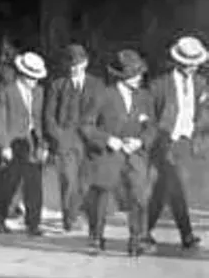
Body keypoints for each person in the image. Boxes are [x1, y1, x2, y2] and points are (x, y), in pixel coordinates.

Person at [80, 49, 158, 257]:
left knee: (139, 196)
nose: (141, 77)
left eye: (141, 72)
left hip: (134, 155)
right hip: (109, 154)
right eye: (136, 73)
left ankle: (137, 239)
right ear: (123, 77)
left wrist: (140, 141)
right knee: (101, 195)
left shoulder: (145, 97)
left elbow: (152, 127)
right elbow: (86, 126)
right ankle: (96, 237)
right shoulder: (103, 95)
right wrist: (108, 140)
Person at [146, 35, 207, 250]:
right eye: (187, 64)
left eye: (195, 64)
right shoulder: (159, 84)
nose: (192, 68)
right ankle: (187, 234)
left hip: (183, 141)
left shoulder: (200, 84)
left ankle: (144, 230)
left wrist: (196, 131)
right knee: (176, 184)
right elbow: (149, 114)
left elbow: (202, 111)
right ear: (178, 62)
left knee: (163, 189)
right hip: (163, 141)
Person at [44, 44, 104, 233]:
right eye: (70, 65)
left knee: (85, 182)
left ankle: (77, 212)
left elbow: (103, 113)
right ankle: (69, 220)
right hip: (66, 141)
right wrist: (58, 137)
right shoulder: (57, 85)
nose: (73, 69)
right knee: (68, 180)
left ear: (85, 63)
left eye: (77, 65)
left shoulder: (97, 85)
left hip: (89, 141)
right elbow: (48, 116)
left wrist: (102, 138)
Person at [0, 51, 48, 236]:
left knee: (34, 185)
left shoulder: (39, 92)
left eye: (37, 77)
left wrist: (43, 145)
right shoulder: (6, 91)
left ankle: (33, 224)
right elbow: (0, 121)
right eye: (31, 77)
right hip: (13, 144)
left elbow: (40, 120)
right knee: (7, 184)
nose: (35, 81)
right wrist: (4, 146)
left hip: (32, 144)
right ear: (22, 75)